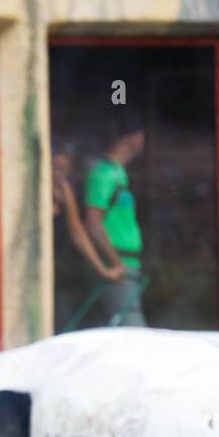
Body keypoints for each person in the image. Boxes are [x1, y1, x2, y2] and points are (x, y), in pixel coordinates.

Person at [52, 144, 124, 333]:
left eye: (62, 171)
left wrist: (103, 269)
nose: (56, 176)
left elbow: (78, 233)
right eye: (53, 168)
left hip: (64, 278)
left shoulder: (67, 196)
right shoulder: (34, 194)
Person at [84, 119, 147, 326]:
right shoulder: (103, 174)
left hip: (128, 265)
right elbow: (93, 220)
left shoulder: (119, 174)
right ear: (135, 137)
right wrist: (114, 261)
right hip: (116, 268)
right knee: (133, 335)